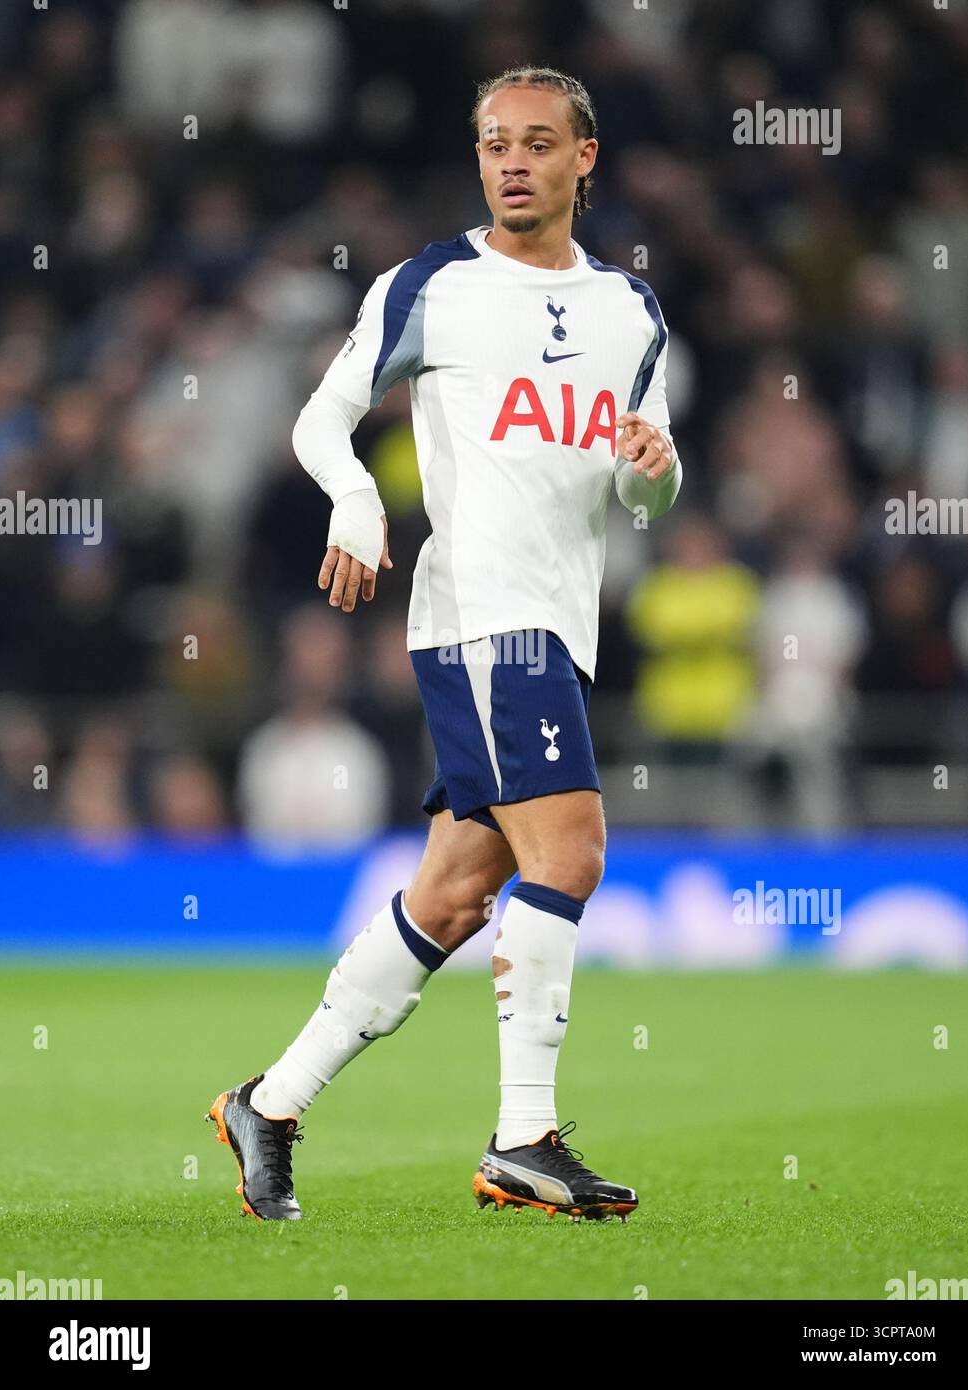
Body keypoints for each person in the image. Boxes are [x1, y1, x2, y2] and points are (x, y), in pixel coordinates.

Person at [207, 66, 682, 1223]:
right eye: (492, 143)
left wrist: (652, 473)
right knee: (568, 855)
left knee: (460, 890)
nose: (511, 161)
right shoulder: (433, 283)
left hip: (559, 622)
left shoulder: (633, 312)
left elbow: (644, 490)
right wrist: (358, 502)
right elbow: (322, 417)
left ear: (585, 158)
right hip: (480, 613)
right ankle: (525, 1137)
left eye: (535, 143)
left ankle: (269, 1101)